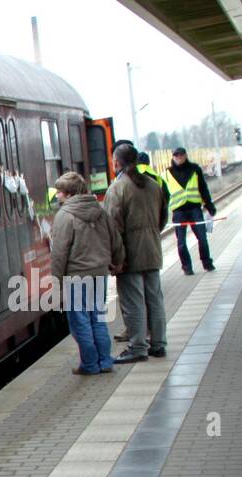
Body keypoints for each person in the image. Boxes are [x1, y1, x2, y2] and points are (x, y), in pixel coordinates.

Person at [50, 172, 123, 375]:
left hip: (76, 276)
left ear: (69, 193)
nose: (57, 195)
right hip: (99, 273)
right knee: (97, 317)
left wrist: (56, 282)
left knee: (80, 321)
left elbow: (59, 253)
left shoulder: (64, 216)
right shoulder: (100, 210)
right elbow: (115, 240)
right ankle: (105, 361)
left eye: (60, 191)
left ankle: (90, 364)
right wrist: (118, 262)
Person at [105, 143, 167, 363]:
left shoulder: (118, 188)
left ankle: (138, 347)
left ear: (117, 162)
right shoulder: (153, 185)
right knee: (155, 299)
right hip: (153, 250)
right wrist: (151, 235)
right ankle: (158, 344)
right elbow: (163, 218)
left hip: (129, 255)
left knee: (134, 303)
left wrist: (117, 259)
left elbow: (113, 228)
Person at [164, 146, 216, 274]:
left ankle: (207, 263)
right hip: (178, 211)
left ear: (185, 155)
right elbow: (163, 194)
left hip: (194, 209)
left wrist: (209, 205)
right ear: (173, 157)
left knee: (202, 238)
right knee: (181, 242)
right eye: (176, 155)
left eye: (181, 155)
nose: (179, 157)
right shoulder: (167, 173)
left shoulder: (195, 169)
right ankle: (187, 267)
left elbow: (203, 188)